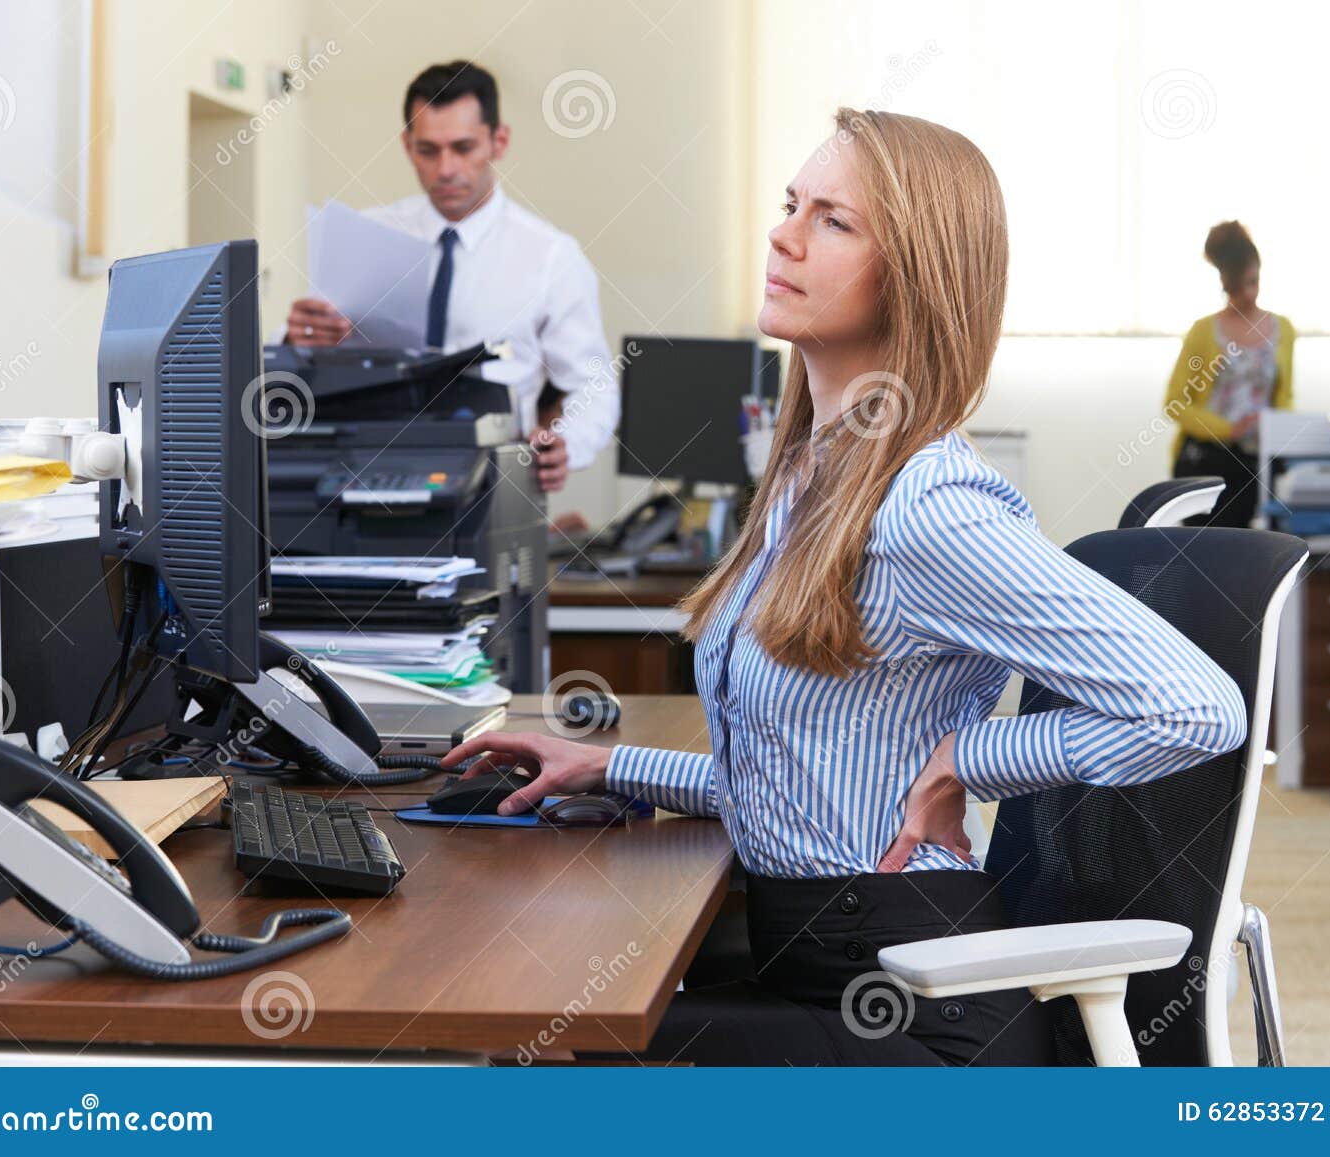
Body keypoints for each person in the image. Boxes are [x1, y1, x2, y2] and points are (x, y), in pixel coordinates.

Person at [444, 109, 1247, 1066]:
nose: (783, 235)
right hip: (819, 959)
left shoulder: (928, 506)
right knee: (538, 1020)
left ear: (914, 271)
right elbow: (812, 797)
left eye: (834, 221)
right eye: (791, 205)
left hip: (919, 1012)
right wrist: (610, 766)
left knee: (535, 1059)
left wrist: (969, 760)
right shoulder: (806, 481)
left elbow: (1197, 706)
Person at [286, 61, 616, 493]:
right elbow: (299, 354)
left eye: (463, 148)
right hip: (367, 474)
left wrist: (568, 442)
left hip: (493, 484)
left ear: (499, 141)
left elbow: (593, 384)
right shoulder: (365, 238)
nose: (445, 169)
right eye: (428, 150)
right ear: (407, 146)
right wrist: (299, 339)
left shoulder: (551, 256)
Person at [1163, 221, 1296, 527]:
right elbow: (1175, 402)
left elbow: (1285, 398)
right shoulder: (1202, 332)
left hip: (1260, 460)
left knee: (1254, 555)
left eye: (1254, 281)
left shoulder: (1283, 330)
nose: (1248, 293)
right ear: (1224, 282)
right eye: (1239, 286)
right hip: (1206, 460)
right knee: (1206, 555)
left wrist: (1272, 425)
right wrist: (1229, 429)